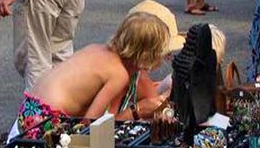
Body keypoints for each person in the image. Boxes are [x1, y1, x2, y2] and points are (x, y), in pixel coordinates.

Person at [17, 12, 169, 138]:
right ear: (146, 54)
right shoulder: (118, 74)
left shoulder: (96, 49)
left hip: (28, 109)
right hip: (46, 120)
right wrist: (136, 111)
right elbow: (91, 125)